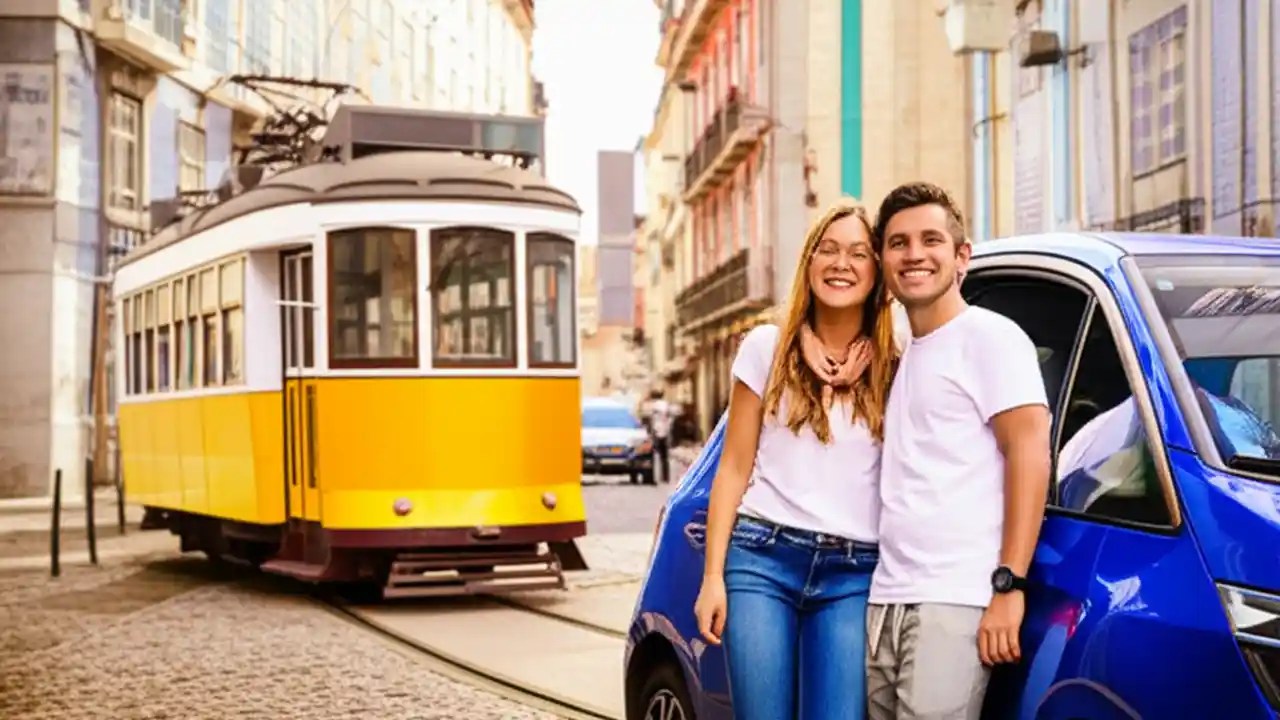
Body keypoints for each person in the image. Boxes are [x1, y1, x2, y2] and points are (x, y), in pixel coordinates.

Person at [693, 199, 898, 720]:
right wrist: (713, 576)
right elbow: (734, 467)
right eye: (827, 250)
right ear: (808, 263)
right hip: (763, 557)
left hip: (853, 571)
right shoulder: (765, 347)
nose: (841, 263)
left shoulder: (898, 362)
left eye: (857, 253)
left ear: (876, 272)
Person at [859, 182, 1052, 719]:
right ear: (883, 260)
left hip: (955, 598)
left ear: (960, 256)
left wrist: (1008, 585)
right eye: (898, 243)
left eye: (930, 240)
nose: (914, 254)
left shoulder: (990, 337)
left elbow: (1030, 454)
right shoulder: (902, 355)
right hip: (886, 598)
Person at [643, 388, 677, 482]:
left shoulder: (651, 406)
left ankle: (651, 477)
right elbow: (672, 417)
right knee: (664, 457)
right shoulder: (666, 405)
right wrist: (668, 427)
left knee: (651, 456)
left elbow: (647, 420)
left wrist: (649, 433)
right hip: (665, 432)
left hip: (654, 432)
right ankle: (665, 477)